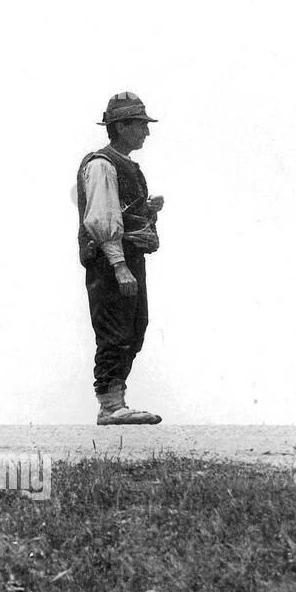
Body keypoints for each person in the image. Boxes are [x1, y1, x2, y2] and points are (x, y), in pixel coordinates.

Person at [76, 92, 166, 425]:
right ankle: (110, 406)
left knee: (135, 326)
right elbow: (100, 219)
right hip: (112, 260)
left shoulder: (121, 163)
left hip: (128, 258)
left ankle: (117, 399)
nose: (146, 132)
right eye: (140, 125)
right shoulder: (102, 164)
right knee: (115, 330)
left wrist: (146, 210)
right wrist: (119, 265)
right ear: (122, 127)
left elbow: (118, 211)